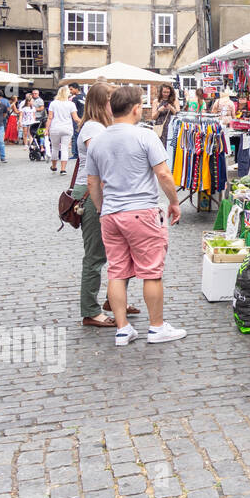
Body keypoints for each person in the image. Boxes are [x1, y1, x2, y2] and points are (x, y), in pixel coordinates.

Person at [85, 85, 185, 346]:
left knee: (117, 272)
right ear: (136, 108)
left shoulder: (98, 141)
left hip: (110, 215)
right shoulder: (145, 136)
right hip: (141, 211)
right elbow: (163, 174)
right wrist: (174, 202)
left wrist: (100, 208)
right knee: (151, 271)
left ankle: (122, 328)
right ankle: (156, 327)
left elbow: (93, 183)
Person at [76, 83, 140, 328]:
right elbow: (103, 159)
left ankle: (112, 300)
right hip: (94, 194)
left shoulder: (105, 126)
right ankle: (90, 310)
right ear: (102, 102)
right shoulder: (92, 127)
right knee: (95, 255)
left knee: (122, 252)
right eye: (111, 99)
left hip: (109, 192)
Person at [47, 87, 80, 174]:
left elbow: (50, 117)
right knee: (64, 148)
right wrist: (83, 122)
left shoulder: (53, 103)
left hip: (55, 128)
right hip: (67, 128)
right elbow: (75, 118)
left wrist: (46, 129)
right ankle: (63, 169)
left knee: (55, 148)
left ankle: (54, 166)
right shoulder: (71, 104)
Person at [68, 83, 86, 161]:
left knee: (76, 136)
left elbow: (72, 110)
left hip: (77, 119)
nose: (70, 91)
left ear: (76, 89)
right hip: (84, 118)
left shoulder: (75, 98)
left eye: (71, 89)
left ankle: (75, 153)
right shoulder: (85, 95)